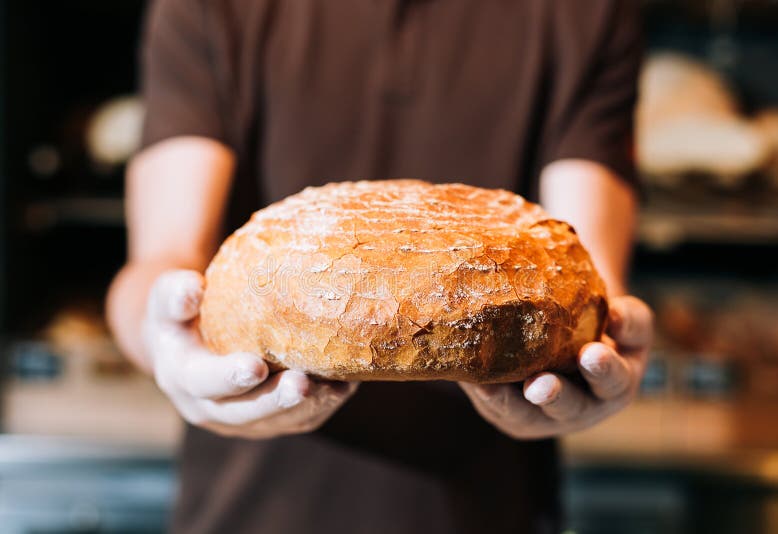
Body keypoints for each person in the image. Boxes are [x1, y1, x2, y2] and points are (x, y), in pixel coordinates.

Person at [107, 1, 654, 532]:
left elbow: (588, 286)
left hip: (485, 509)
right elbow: (161, 262)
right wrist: (165, 344)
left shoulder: (589, 9)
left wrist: (603, 356)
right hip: (248, 508)